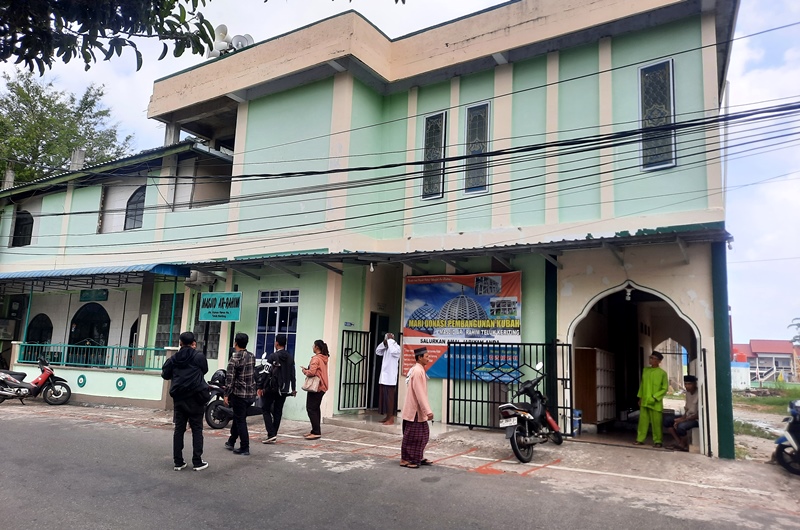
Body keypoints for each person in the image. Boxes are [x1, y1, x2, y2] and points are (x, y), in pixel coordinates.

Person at [161, 331, 209, 471]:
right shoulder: (198, 356)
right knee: (197, 429)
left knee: (179, 430)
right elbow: (204, 370)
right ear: (193, 342)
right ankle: (197, 461)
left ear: (180, 343)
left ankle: (178, 462)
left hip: (179, 398)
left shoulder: (173, 359)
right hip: (196, 398)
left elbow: (165, 375)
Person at [258, 334, 296, 444]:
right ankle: (273, 434)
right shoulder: (290, 357)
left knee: (265, 409)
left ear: (277, 343)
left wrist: (260, 386)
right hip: (284, 389)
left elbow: (266, 372)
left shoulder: (272, 356)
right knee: (278, 412)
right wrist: (293, 388)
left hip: (271, 388)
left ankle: (271, 434)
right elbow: (293, 374)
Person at [400, 347, 434, 469]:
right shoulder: (417, 371)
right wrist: (428, 411)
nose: (428, 359)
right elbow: (419, 393)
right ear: (419, 358)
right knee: (412, 436)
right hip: (414, 410)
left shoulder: (419, 370)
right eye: (427, 357)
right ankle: (406, 459)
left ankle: (417, 456)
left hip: (417, 410)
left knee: (422, 434)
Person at [224, 332, 256, 455]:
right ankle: (231, 441)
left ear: (235, 343)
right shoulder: (252, 356)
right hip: (250, 394)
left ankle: (245, 447)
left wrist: (226, 394)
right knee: (239, 417)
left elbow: (230, 378)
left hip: (239, 394)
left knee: (240, 420)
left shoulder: (235, 358)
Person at [634, 351, 669, 448]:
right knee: (642, 422)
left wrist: (655, 397)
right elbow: (642, 385)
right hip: (645, 400)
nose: (650, 359)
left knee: (657, 423)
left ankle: (658, 441)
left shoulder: (662, 373)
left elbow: (664, 388)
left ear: (658, 361)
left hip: (655, 403)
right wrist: (640, 397)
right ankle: (640, 439)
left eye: (652, 358)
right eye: (650, 357)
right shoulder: (645, 370)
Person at [301, 339, 330, 440]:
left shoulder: (316, 359)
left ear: (317, 347)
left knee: (311, 409)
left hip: (316, 387)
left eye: (313, 345)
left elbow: (312, 373)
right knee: (316, 409)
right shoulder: (324, 358)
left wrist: (305, 371)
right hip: (322, 386)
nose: (312, 347)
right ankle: (315, 430)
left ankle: (316, 431)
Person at [666, 375, 700, 451]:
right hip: (688, 416)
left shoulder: (699, 394)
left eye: (690, 384)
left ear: (695, 384)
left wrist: (683, 420)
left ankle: (683, 444)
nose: (687, 386)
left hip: (696, 419)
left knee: (681, 426)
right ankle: (679, 442)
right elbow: (687, 409)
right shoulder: (687, 393)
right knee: (667, 420)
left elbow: (698, 415)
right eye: (686, 384)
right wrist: (681, 418)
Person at [375, 332, 401, 425]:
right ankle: (387, 416)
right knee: (384, 399)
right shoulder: (386, 348)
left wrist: (390, 340)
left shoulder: (397, 348)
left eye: (389, 339)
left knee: (390, 399)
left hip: (390, 378)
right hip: (384, 378)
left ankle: (391, 418)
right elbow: (378, 351)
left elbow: (393, 352)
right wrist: (384, 343)